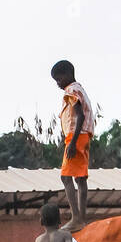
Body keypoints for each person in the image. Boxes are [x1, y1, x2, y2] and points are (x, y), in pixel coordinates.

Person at [51, 59, 94, 230]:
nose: (58, 84)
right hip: (84, 136)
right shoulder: (80, 88)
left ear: (67, 75)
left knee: (65, 177)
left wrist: (72, 142)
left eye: (58, 80)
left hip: (76, 136)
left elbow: (80, 116)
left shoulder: (71, 90)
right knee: (80, 178)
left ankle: (76, 218)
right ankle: (81, 218)